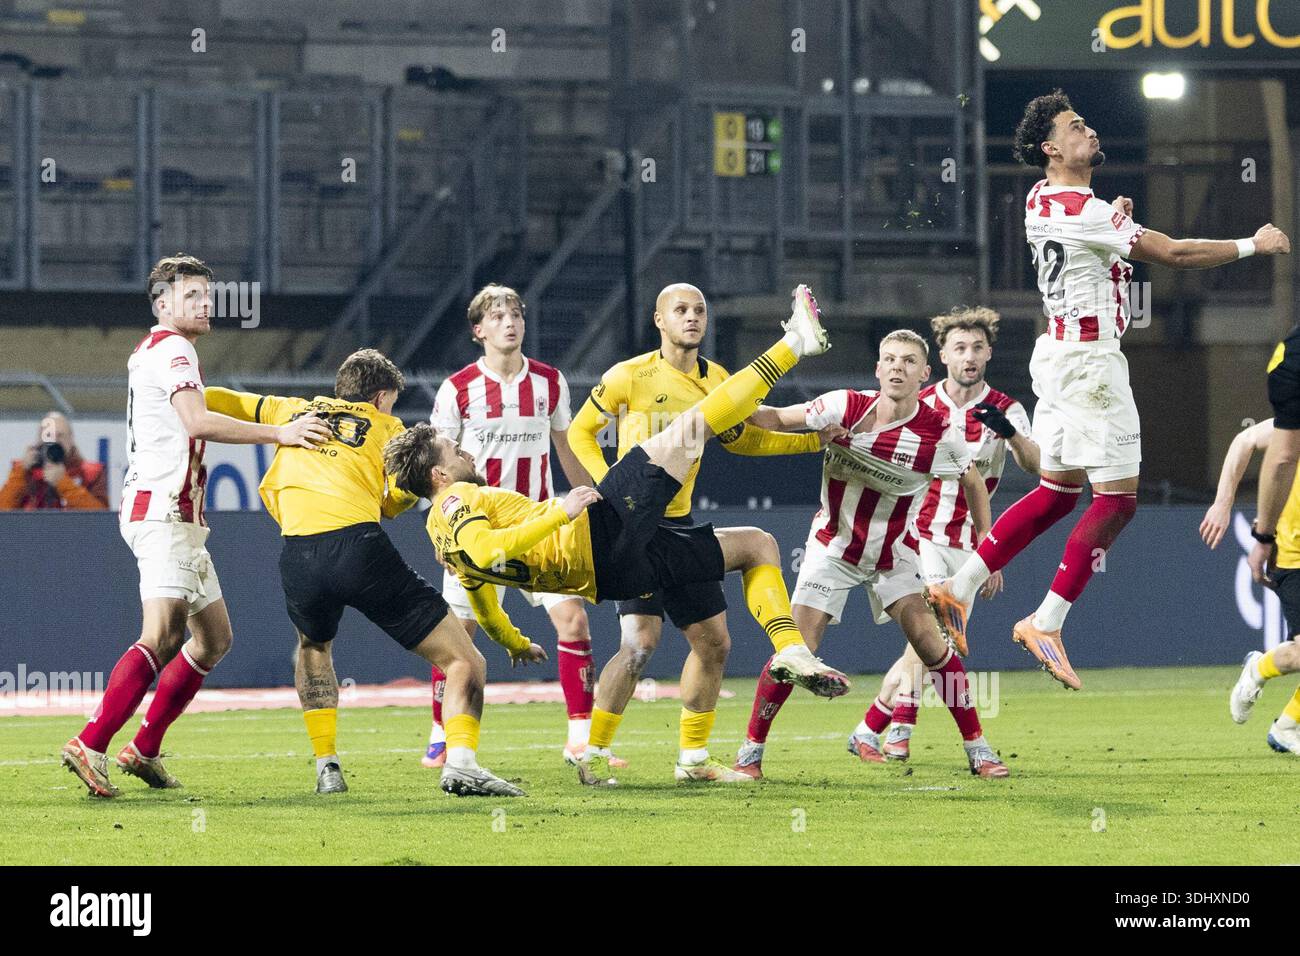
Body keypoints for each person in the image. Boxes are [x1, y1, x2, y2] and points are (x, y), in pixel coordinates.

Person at [385, 285, 849, 787]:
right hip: (601, 532)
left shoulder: (443, 534)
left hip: (607, 568)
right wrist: (560, 512)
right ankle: (795, 342)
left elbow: (485, 602)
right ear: (438, 475)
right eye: (453, 449)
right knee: (691, 432)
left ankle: (772, 669)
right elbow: (490, 548)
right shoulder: (464, 501)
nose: (464, 451)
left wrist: (514, 642)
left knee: (756, 547)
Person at [927, 88, 1291, 690]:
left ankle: (959, 585)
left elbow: (1092, 251)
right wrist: (1256, 242)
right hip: (1093, 367)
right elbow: (1174, 253)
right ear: (1051, 147)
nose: (1089, 131)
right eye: (1076, 126)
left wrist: (1113, 226)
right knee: (1118, 501)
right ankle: (1046, 621)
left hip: (1059, 359)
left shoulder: (1044, 199)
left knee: (1057, 493)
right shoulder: (1085, 211)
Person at [203, 348, 545, 798]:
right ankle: (461, 763)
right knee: (465, 659)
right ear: (382, 398)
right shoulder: (390, 430)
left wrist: (176, 398)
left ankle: (327, 764)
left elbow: (213, 398)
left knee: (313, 644)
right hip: (359, 548)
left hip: (298, 553)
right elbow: (399, 498)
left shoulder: (295, 411)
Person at [60, 253, 332, 798]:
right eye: (192, 296)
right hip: (164, 510)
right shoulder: (176, 348)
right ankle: (91, 743)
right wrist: (282, 433)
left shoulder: (151, 350)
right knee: (162, 635)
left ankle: (144, 747)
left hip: (173, 512)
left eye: (208, 296)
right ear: (162, 304)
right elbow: (197, 421)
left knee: (213, 639)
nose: (205, 304)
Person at [565, 282, 831, 783]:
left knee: (713, 644)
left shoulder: (718, 381)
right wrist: (605, 486)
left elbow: (744, 439)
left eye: (700, 310)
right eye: (680, 310)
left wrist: (812, 441)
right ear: (659, 321)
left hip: (679, 526)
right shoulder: (629, 375)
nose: (692, 317)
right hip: (637, 524)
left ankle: (692, 760)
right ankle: (593, 752)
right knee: (641, 644)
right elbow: (580, 430)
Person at [734, 329, 1009, 779]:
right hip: (833, 549)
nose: (897, 367)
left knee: (930, 643)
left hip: (894, 553)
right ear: (878, 369)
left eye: (908, 361)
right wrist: (725, 408)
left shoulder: (938, 431)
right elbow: (777, 419)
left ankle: (978, 748)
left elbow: (973, 481)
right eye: (889, 359)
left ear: (925, 373)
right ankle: (749, 754)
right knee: (795, 650)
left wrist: (985, 538)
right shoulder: (845, 406)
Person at [424, 284, 598, 769]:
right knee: (459, 634)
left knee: (575, 620)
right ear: (479, 330)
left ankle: (580, 740)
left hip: (541, 523)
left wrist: (586, 499)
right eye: (498, 316)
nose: (510, 322)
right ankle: (441, 734)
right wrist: (442, 530)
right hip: (477, 530)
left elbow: (566, 445)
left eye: (516, 314)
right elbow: (435, 465)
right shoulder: (457, 388)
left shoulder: (550, 381)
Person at [872, 307, 1039, 761]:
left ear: (989, 353)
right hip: (918, 535)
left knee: (929, 642)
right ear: (942, 355)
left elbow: (1035, 465)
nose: (969, 356)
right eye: (959, 348)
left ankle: (871, 725)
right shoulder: (919, 403)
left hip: (970, 549)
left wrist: (1012, 437)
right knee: (934, 634)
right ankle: (900, 731)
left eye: (977, 348)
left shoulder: (1007, 409)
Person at [1212, 418, 1300, 755]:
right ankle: (1258, 669)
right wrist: (1223, 501)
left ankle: (1288, 726)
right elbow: (1244, 439)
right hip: (1293, 555)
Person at [0, 412, 108, 510]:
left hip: (73, 531)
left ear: (71, 439)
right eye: (48, 435)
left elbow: (100, 517)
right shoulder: (23, 471)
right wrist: (21, 472)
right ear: (38, 440)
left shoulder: (92, 473)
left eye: (60, 435)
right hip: (32, 530)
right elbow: (3, 511)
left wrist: (62, 482)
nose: (54, 441)